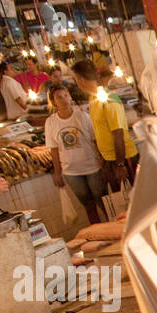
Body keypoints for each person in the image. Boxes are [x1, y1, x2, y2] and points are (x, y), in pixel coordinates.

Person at [45, 86, 105, 226]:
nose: (64, 99)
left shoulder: (82, 116)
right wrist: (58, 173)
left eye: (66, 95)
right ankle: (97, 228)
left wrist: (102, 161)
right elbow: (54, 149)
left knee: (101, 199)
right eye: (59, 97)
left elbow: (96, 140)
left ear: (70, 97)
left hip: (92, 166)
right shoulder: (51, 122)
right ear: (54, 102)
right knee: (87, 203)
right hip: (71, 171)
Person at [72, 59, 138, 187]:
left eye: (76, 79)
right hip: (109, 158)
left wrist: (120, 165)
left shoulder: (109, 100)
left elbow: (118, 133)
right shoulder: (93, 98)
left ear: (81, 80)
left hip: (124, 157)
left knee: (134, 197)